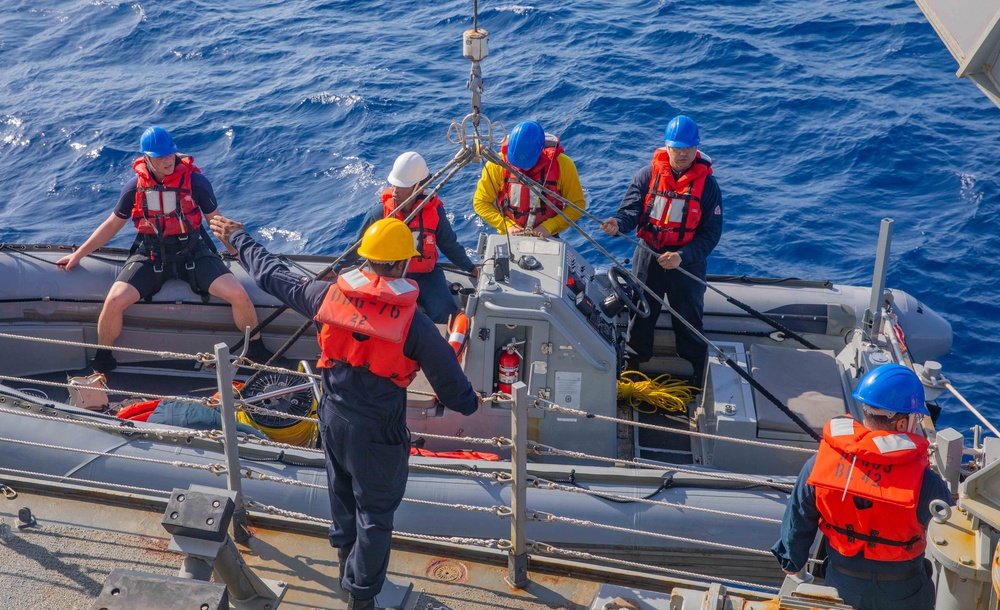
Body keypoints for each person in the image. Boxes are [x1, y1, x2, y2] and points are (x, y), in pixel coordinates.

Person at [209, 214, 481, 610]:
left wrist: (239, 238)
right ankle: (361, 598)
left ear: (364, 260)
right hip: (378, 431)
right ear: (405, 265)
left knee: (342, 498)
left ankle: (344, 574)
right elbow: (457, 396)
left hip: (332, 417)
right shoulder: (416, 325)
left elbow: (271, 274)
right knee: (376, 514)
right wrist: (475, 402)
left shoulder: (324, 295)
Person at [56, 126, 268, 372]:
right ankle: (103, 359)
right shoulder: (135, 187)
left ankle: (257, 349)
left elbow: (216, 221)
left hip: (193, 252)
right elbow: (112, 224)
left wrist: (238, 253)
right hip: (151, 254)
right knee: (113, 301)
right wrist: (78, 254)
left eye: (170, 154)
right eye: (160, 157)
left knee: (239, 295)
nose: (168, 161)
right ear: (146, 158)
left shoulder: (196, 182)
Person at [771, 364, 954, 610]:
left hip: (841, 586)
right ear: (902, 425)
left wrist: (793, 564)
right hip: (904, 594)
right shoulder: (927, 482)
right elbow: (950, 537)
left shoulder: (819, 465)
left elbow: (797, 521)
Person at [600, 115, 722, 387]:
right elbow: (630, 212)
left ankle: (698, 378)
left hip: (686, 265)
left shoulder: (708, 187)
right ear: (666, 147)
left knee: (689, 318)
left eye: (688, 148)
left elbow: (711, 233)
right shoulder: (647, 175)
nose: (683, 154)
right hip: (649, 258)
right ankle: (631, 371)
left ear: (697, 148)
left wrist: (683, 256)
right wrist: (618, 223)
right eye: (677, 148)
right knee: (641, 315)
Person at [352, 151, 479, 324]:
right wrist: (335, 270)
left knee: (446, 314)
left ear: (418, 186)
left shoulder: (435, 212)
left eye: (402, 186)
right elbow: (357, 245)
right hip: (391, 274)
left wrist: (471, 268)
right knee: (384, 314)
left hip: (426, 274)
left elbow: (448, 244)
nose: (395, 190)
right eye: (394, 185)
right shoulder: (380, 213)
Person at [472, 120, 586, 238]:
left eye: (527, 163)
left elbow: (577, 205)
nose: (523, 167)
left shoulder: (563, 164)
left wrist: (550, 226)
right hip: (509, 235)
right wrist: (507, 225)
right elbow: (481, 202)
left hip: (547, 236)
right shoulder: (497, 164)